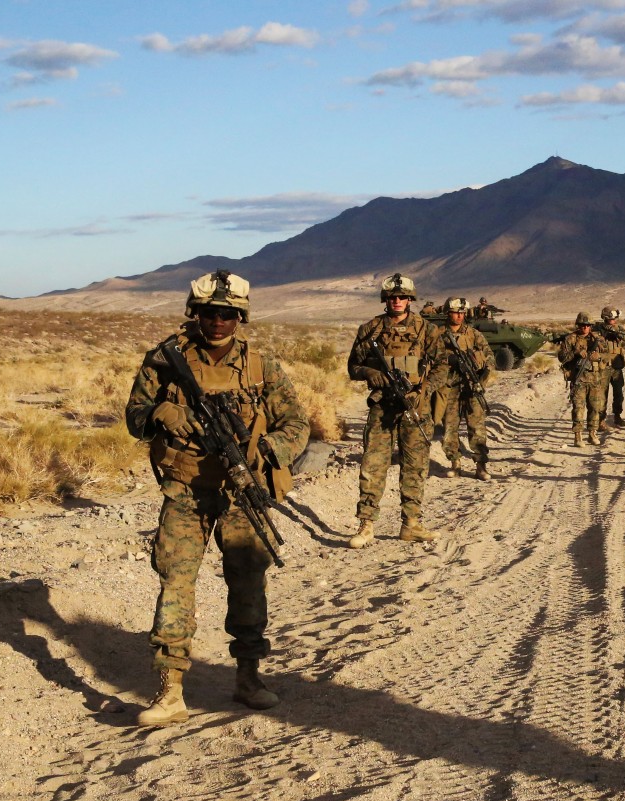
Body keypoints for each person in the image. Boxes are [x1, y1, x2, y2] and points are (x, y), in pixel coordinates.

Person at [124, 270, 309, 726]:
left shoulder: (261, 367)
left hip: (241, 493)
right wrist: (162, 412)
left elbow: (297, 424)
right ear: (196, 313)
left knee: (248, 584)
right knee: (175, 582)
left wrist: (268, 449)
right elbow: (134, 417)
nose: (218, 321)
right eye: (210, 312)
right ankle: (170, 689)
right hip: (186, 489)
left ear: (240, 317)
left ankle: (248, 677)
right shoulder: (165, 360)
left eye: (227, 314)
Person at [347, 272, 439, 546]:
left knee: (415, 465)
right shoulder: (371, 329)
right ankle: (366, 525)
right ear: (385, 300)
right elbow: (353, 367)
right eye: (392, 297)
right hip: (382, 407)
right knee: (373, 465)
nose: (397, 301)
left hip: (415, 407)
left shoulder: (426, 330)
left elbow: (442, 366)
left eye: (402, 297)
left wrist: (424, 391)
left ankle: (411, 524)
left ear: (410, 299)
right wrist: (369, 373)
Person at [429, 297, 494, 479]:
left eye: (462, 313)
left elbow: (490, 356)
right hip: (449, 386)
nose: (459, 316)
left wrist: (482, 374)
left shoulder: (473, 334)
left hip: (471, 386)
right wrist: (448, 360)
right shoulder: (438, 335)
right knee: (450, 427)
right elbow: (429, 357)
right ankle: (455, 463)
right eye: (455, 312)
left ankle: (481, 466)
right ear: (447, 313)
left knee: (477, 427)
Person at [556, 312, 617, 445]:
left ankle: (592, 433)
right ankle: (578, 436)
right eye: (582, 325)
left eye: (588, 325)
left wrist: (598, 357)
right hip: (578, 380)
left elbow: (608, 356)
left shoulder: (598, 339)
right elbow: (561, 357)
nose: (585, 328)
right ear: (578, 325)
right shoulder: (570, 339)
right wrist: (575, 353)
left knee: (595, 408)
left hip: (595, 379)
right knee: (578, 408)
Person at [598, 306, 625, 428]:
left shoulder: (618, 328)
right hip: (603, 366)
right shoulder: (598, 329)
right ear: (605, 318)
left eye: (615, 318)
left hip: (616, 366)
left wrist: (616, 333)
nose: (614, 320)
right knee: (601, 395)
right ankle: (600, 419)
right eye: (612, 318)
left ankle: (617, 416)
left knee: (618, 394)